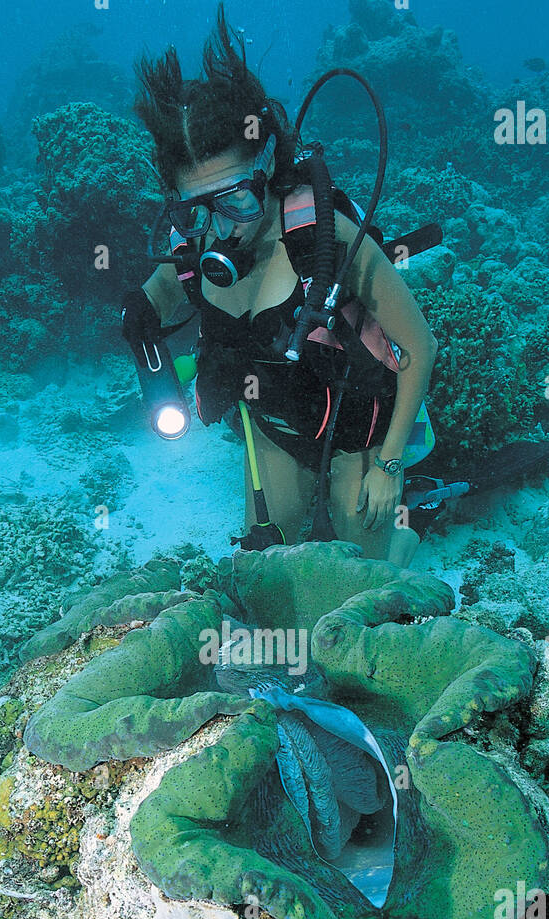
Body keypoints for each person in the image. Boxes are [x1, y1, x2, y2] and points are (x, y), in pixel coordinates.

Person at [123, 5, 437, 564]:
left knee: (365, 569)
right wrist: (139, 327)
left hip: (352, 426)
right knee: (267, 564)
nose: (222, 226)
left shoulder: (327, 240)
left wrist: (388, 466)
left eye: (238, 198)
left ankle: (422, 511)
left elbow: (420, 348)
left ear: (266, 170)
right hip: (272, 426)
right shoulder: (191, 250)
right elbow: (156, 301)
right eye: (199, 208)